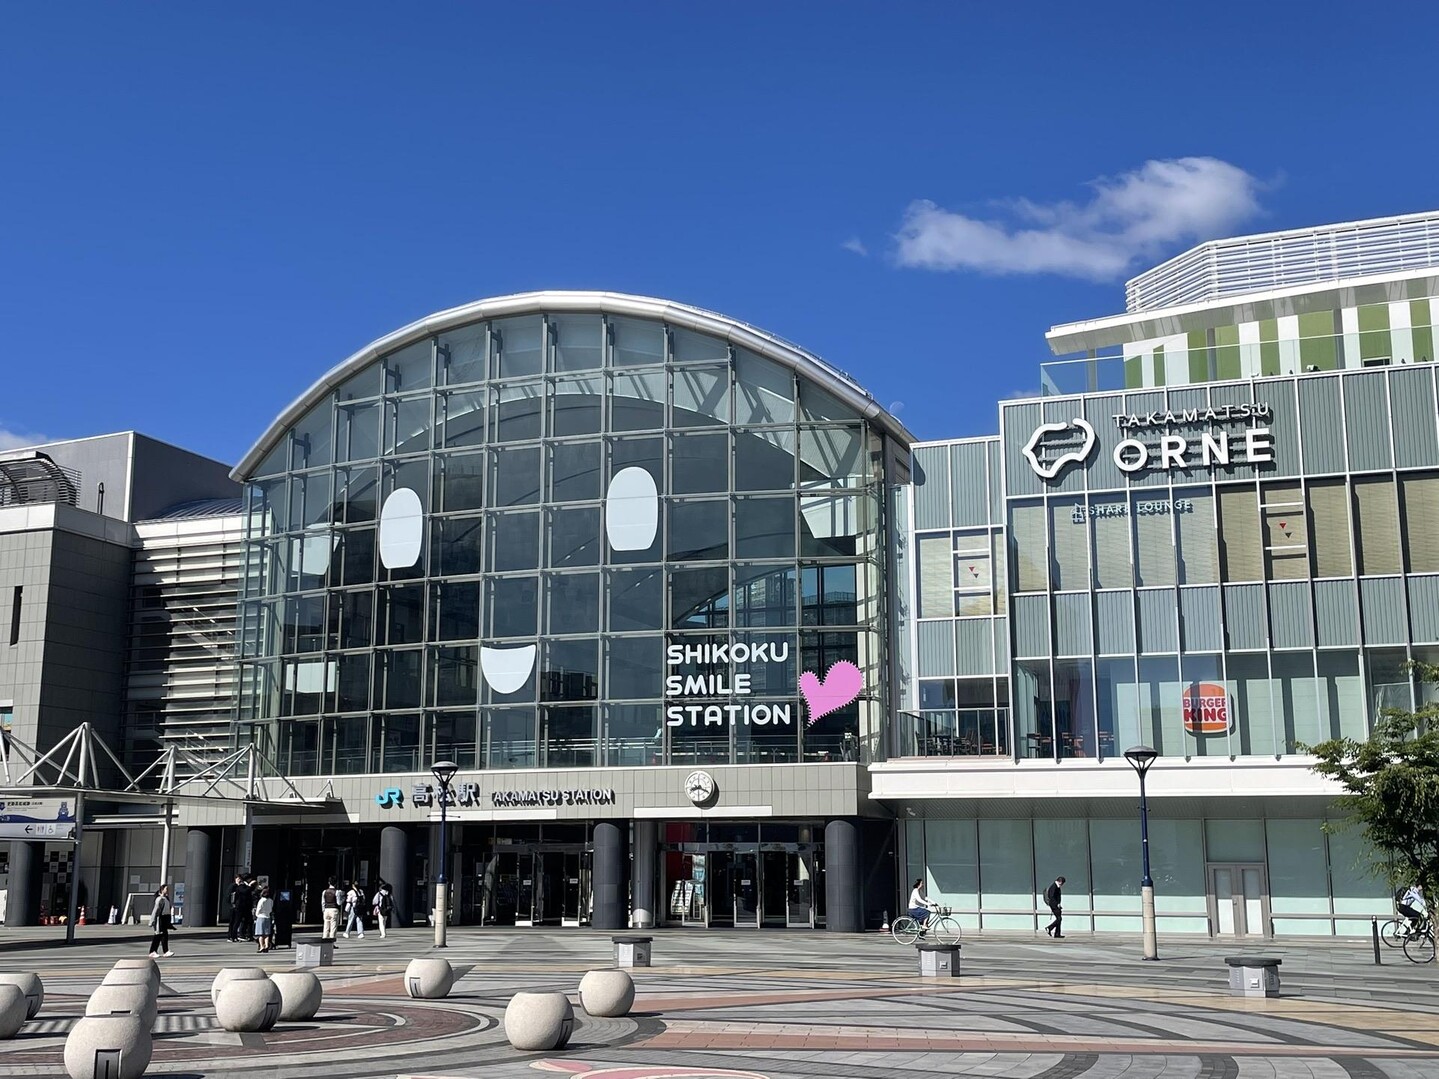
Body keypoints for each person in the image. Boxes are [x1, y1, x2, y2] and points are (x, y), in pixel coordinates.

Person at [147, 885, 174, 958]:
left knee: (164, 935)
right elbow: (155, 910)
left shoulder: (166, 898)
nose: (168, 890)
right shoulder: (160, 899)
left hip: (165, 918)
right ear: (162, 890)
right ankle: (153, 951)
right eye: (166, 889)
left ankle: (165, 951)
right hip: (160, 918)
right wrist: (152, 920)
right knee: (158, 935)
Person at [228, 874, 251, 943]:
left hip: (239, 906)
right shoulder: (238, 886)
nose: (239, 880)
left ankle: (235, 935)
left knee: (239, 921)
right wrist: (249, 886)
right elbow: (245, 891)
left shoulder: (240, 886)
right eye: (238, 879)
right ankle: (232, 936)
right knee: (235, 922)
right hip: (237, 907)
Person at [253, 887, 275, 953]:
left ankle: (262, 946)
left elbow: (258, 909)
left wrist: (256, 915)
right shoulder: (271, 900)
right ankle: (266, 945)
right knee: (266, 934)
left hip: (261, 917)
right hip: (268, 917)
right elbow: (271, 909)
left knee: (260, 934)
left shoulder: (261, 900)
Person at [321, 877, 341, 942]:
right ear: (336, 883)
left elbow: (323, 902)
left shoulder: (324, 891)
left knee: (326, 926)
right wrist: (343, 899)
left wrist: (323, 910)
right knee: (333, 927)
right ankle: (331, 942)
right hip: (334, 909)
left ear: (329, 882)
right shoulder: (337, 892)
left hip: (326, 909)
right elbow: (339, 902)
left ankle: (324, 939)